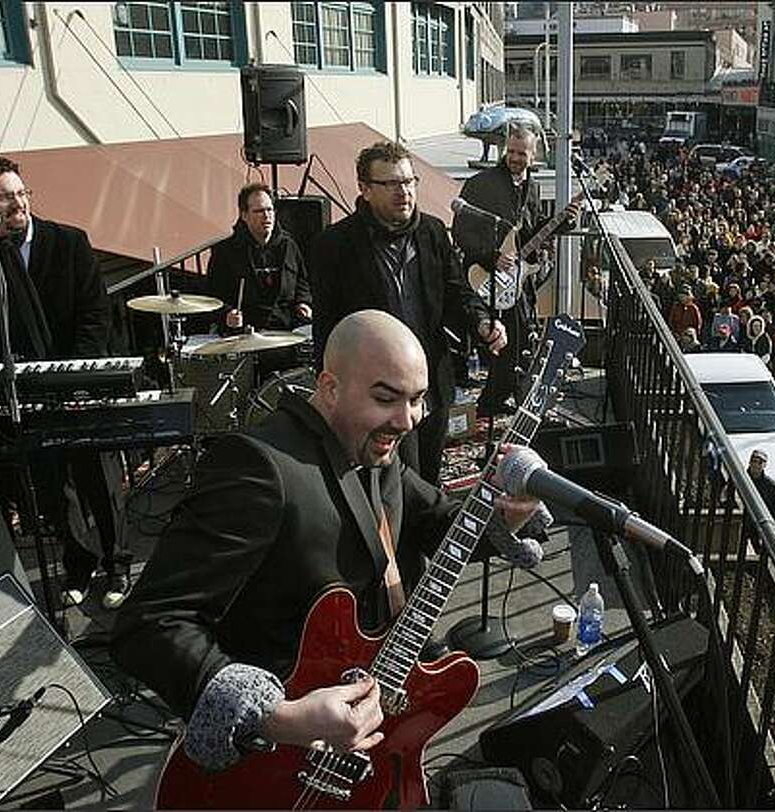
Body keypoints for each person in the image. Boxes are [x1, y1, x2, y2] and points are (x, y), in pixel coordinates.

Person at [112, 310, 550, 771]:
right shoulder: (258, 467)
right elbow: (149, 623)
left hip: (366, 719)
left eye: (418, 400)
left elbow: (440, 518)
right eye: (386, 398)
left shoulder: (376, 453)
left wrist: (506, 514)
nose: (407, 420)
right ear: (329, 387)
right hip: (276, 763)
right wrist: (277, 716)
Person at [0, 155, 128, 609]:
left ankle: (117, 564)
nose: (17, 204)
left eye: (21, 193)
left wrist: (74, 374)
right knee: (52, 483)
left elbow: (94, 314)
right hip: (21, 388)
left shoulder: (69, 242)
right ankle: (77, 563)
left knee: (98, 476)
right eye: (3, 198)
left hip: (77, 379)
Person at [309, 141, 507, 485]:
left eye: (409, 181)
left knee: (427, 476)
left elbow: (455, 292)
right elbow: (327, 324)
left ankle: (423, 537)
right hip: (376, 391)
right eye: (391, 184)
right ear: (365, 189)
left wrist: (481, 322)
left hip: (429, 382)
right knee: (392, 481)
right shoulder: (334, 244)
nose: (404, 192)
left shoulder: (432, 232)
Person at [452, 124, 579, 417]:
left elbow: (530, 234)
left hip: (516, 280)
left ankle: (500, 398)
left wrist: (563, 222)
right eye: (511, 151)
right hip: (485, 274)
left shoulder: (531, 187)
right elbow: (460, 230)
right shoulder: (481, 183)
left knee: (520, 340)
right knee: (504, 341)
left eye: (522, 153)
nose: (515, 157)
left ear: (534, 155)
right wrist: (491, 256)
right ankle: (492, 401)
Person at [206, 182, 311, 335]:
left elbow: (302, 281)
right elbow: (213, 296)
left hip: (285, 330)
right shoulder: (225, 251)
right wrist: (227, 314)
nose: (266, 216)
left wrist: (304, 303)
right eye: (259, 211)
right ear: (244, 215)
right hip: (244, 333)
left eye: (269, 210)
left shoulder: (289, 246)